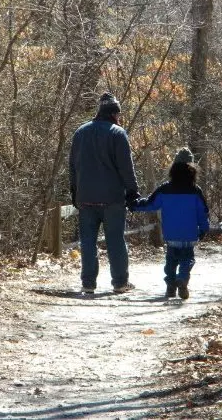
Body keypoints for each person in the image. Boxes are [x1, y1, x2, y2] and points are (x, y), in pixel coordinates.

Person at [69, 92, 140, 294]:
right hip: (112, 199)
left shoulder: (80, 133)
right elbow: (126, 167)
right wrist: (133, 191)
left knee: (88, 242)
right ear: (114, 114)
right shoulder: (118, 134)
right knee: (116, 240)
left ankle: (88, 283)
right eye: (118, 114)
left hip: (86, 198)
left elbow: (73, 166)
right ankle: (119, 282)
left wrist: (74, 191)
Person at [129, 147, 209, 299]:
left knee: (171, 262)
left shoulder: (165, 189)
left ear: (173, 168)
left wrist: (133, 204)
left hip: (171, 235)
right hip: (189, 235)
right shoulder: (195, 191)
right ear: (192, 170)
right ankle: (183, 279)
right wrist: (204, 229)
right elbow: (203, 212)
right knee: (187, 259)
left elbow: (149, 204)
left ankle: (171, 287)